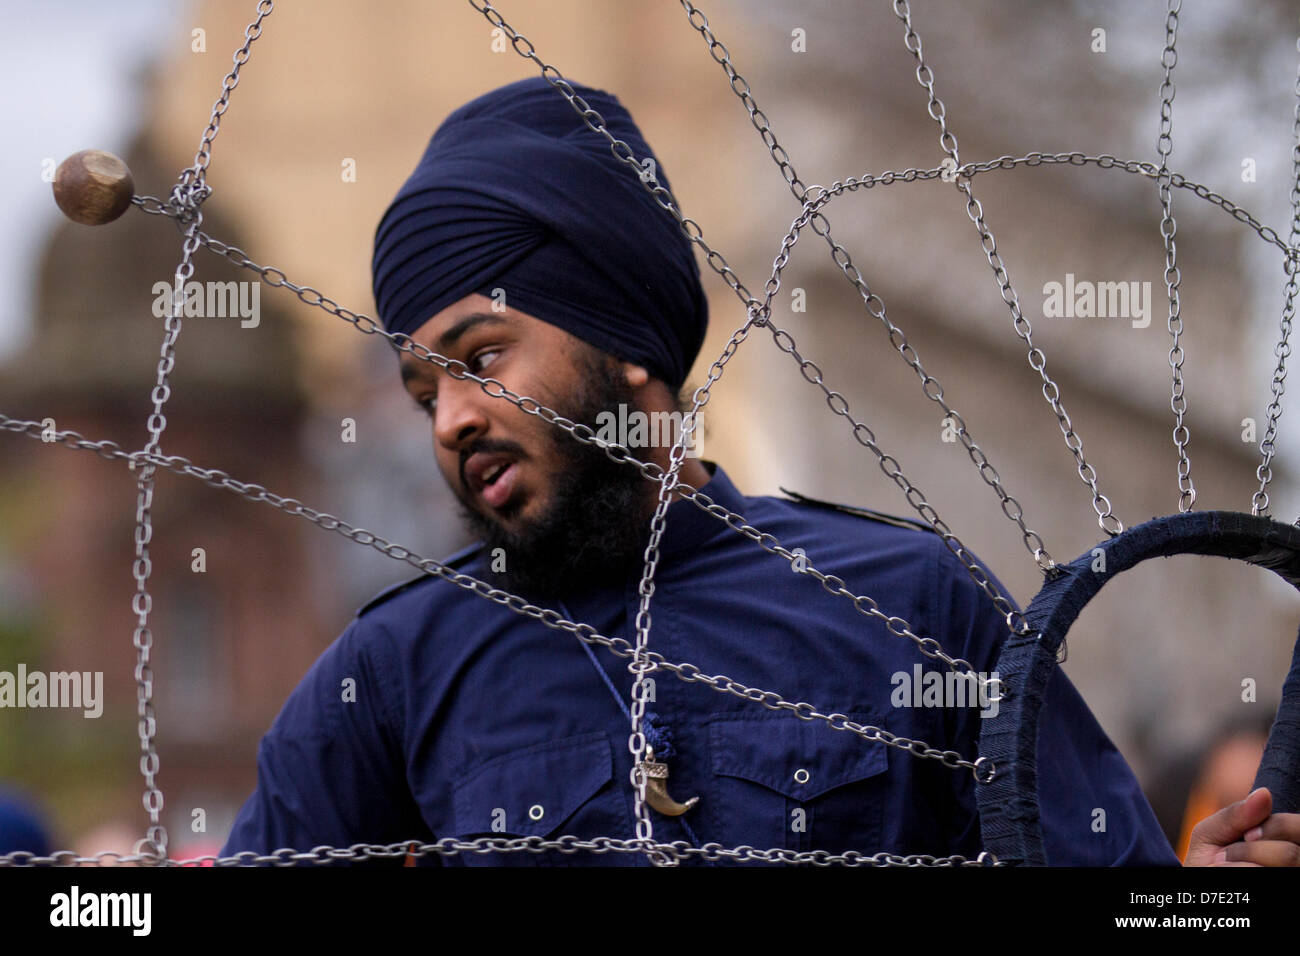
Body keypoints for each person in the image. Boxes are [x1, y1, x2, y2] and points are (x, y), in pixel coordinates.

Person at [222, 76, 1298, 867]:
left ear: (623, 336)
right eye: (422, 391)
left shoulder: (906, 598)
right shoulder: (393, 669)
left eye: (482, 356)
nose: (452, 419)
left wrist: (1199, 895)